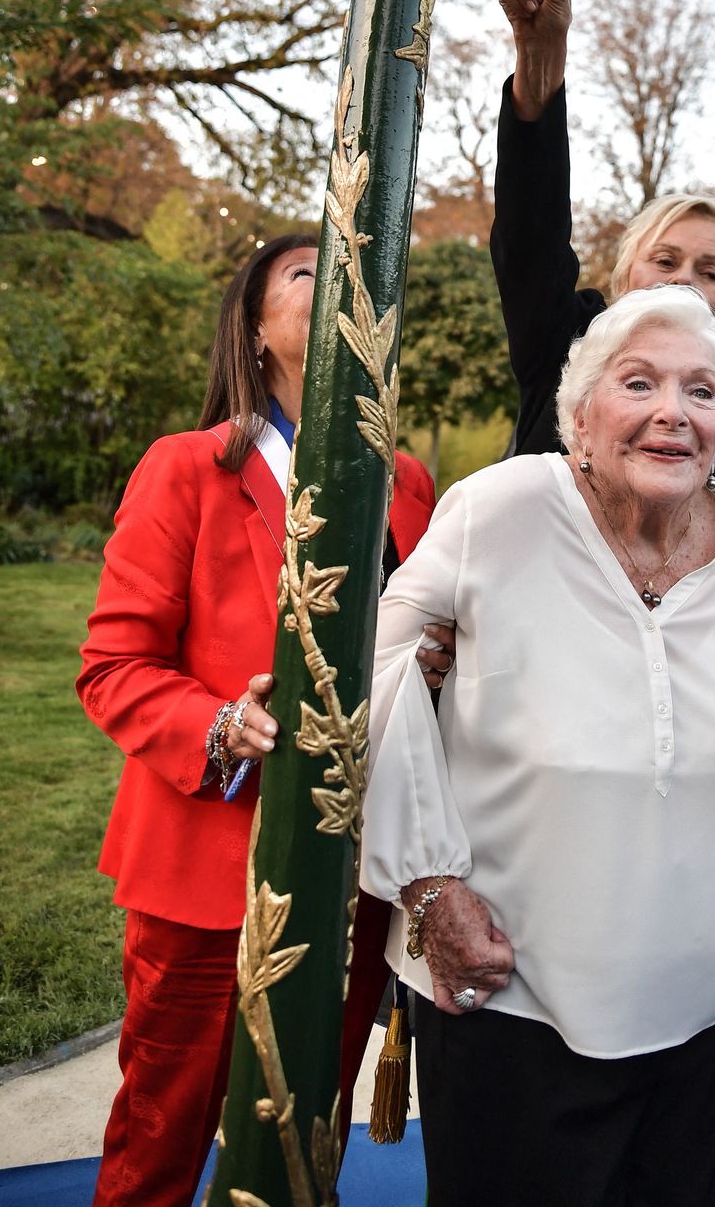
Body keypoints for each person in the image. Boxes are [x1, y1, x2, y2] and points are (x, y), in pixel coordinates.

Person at [360, 286, 715, 1207]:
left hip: (698, 1007)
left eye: (702, 391)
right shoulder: (503, 507)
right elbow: (374, 674)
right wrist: (427, 885)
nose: (673, 412)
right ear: (582, 418)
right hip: (505, 988)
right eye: (639, 384)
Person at [77, 235, 435, 1207]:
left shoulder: (406, 481)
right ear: (254, 325)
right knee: (165, 1128)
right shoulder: (186, 468)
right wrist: (223, 726)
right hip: (203, 869)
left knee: (302, 1127)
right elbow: (113, 666)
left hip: (353, 872)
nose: (339, 284)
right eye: (308, 272)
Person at [490, 0, 715, 486]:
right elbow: (532, 236)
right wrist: (542, 57)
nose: (683, 278)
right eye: (665, 259)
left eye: (712, 273)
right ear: (624, 282)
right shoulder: (566, 348)